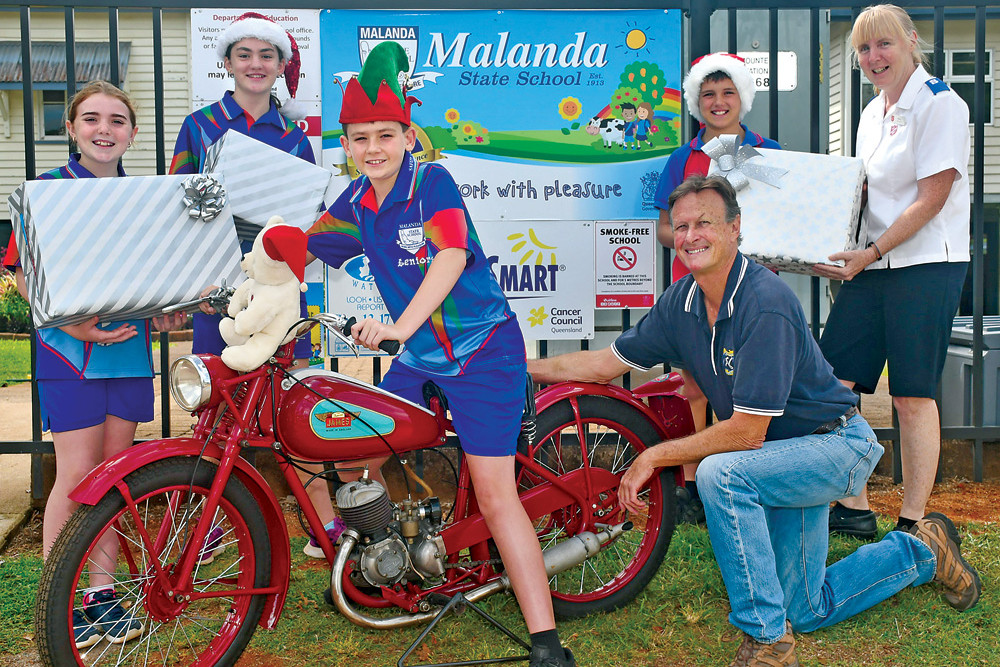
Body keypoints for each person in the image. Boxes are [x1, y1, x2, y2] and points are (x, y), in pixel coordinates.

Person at [529, 174, 980, 666]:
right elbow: (604, 364)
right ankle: (923, 550)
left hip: (834, 448)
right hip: (780, 458)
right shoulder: (681, 303)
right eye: (681, 227)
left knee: (720, 474)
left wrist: (653, 456)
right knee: (808, 607)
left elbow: (747, 432)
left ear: (735, 228)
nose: (690, 235)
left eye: (704, 222)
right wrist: (523, 367)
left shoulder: (765, 303)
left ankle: (767, 639)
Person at [306, 41, 575, 667]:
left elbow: (450, 256)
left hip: (483, 353)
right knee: (354, 453)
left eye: (385, 135)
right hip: (419, 357)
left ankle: (544, 638)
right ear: (345, 144)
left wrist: (398, 325)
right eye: (359, 137)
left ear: (407, 135)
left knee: (495, 491)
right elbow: (300, 249)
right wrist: (237, 283)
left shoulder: (433, 182)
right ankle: (377, 564)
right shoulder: (357, 203)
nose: (372, 148)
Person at [4, 81, 185, 648]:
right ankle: (60, 596)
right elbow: (24, 275)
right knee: (78, 474)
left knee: (117, 475)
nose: (104, 129)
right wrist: (69, 323)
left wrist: (163, 313)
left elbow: (154, 278)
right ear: (72, 127)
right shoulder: (48, 191)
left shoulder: (144, 196)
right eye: (91, 119)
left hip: (129, 353)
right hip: (69, 352)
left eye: (117, 120)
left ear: (132, 132)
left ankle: (101, 596)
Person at [169, 13, 344, 557]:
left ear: (280, 66)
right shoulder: (198, 126)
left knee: (295, 406)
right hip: (218, 293)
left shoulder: (296, 136)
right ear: (226, 63)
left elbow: (303, 221)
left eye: (266, 56)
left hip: (278, 293)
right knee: (217, 409)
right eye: (244, 54)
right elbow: (177, 206)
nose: (255, 64)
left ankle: (326, 525)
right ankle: (212, 524)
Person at [814, 4, 971, 541]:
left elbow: (932, 198)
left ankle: (913, 520)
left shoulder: (941, 105)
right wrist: (829, 242)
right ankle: (852, 504)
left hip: (926, 264)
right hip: (872, 261)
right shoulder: (869, 113)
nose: (873, 57)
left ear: (909, 43)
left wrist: (870, 251)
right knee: (834, 383)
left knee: (910, 394)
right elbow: (863, 193)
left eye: (883, 44)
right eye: (863, 48)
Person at [652, 52, 781, 525]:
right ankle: (689, 485)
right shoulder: (681, 158)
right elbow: (664, 229)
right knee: (694, 388)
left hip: (749, 289)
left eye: (728, 92)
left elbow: (782, 218)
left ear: (743, 98)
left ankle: (743, 476)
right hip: (694, 286)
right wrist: (695, 238)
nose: (719, 102)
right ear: (695, 102)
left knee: (747, 388)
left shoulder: (767, 152)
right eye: (708, 94)